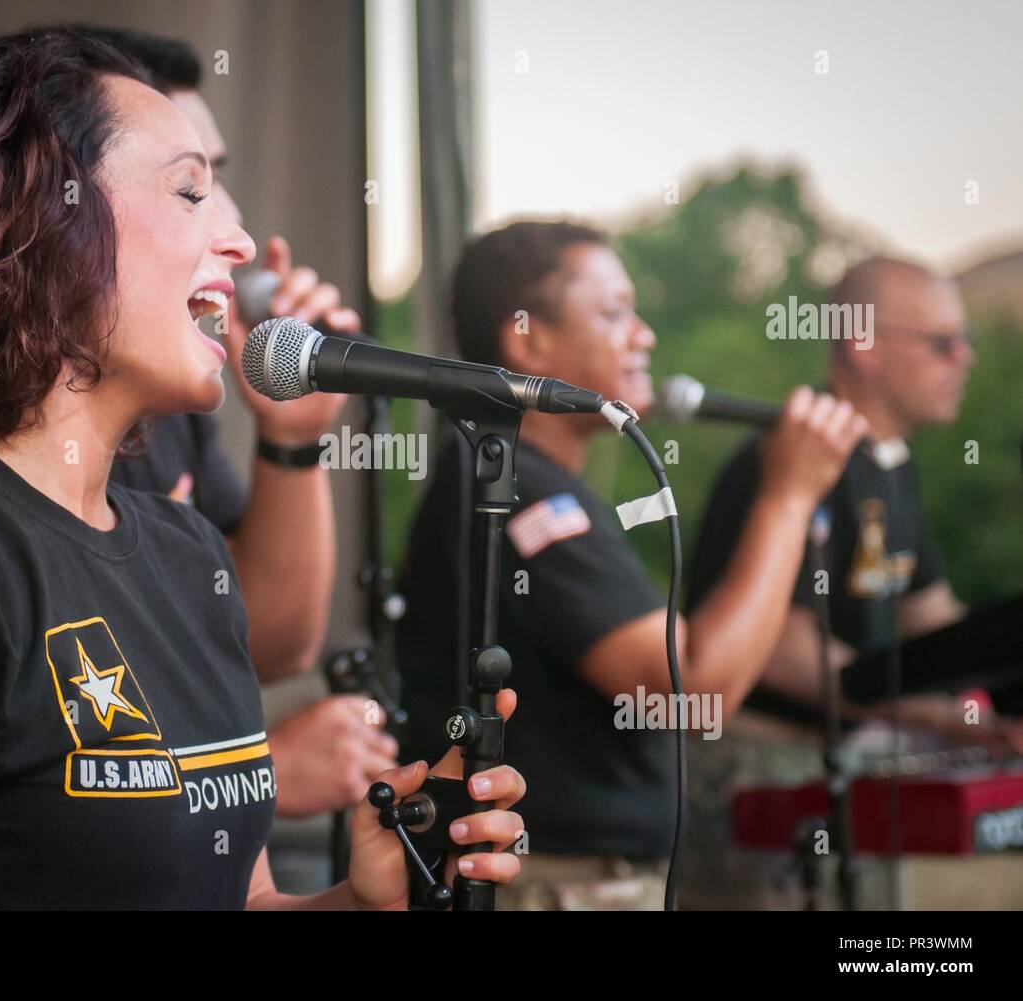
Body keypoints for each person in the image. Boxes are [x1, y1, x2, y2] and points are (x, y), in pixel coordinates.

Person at [0, 27, 523, 909]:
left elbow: (239, 898)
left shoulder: (187, 553)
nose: (243, 242)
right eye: (189, 190)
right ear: (41, 219)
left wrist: (369, 899)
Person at [395, 220, 867, 910]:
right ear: (528, 337)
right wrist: (788, 496)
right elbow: (688, 684)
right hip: (558, 880)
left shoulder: (527, 476)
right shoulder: (517, 487)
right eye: (615, 312)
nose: (644, 334)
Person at [689, 256, 1022, 745]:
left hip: (854, 740)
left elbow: (928, 614)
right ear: (863, 345)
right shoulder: (791, 456)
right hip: (765, 754)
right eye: (942, 344)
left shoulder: (894, 461)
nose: (964, 358)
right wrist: (954, 722)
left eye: (965, 340)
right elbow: (786, 657)